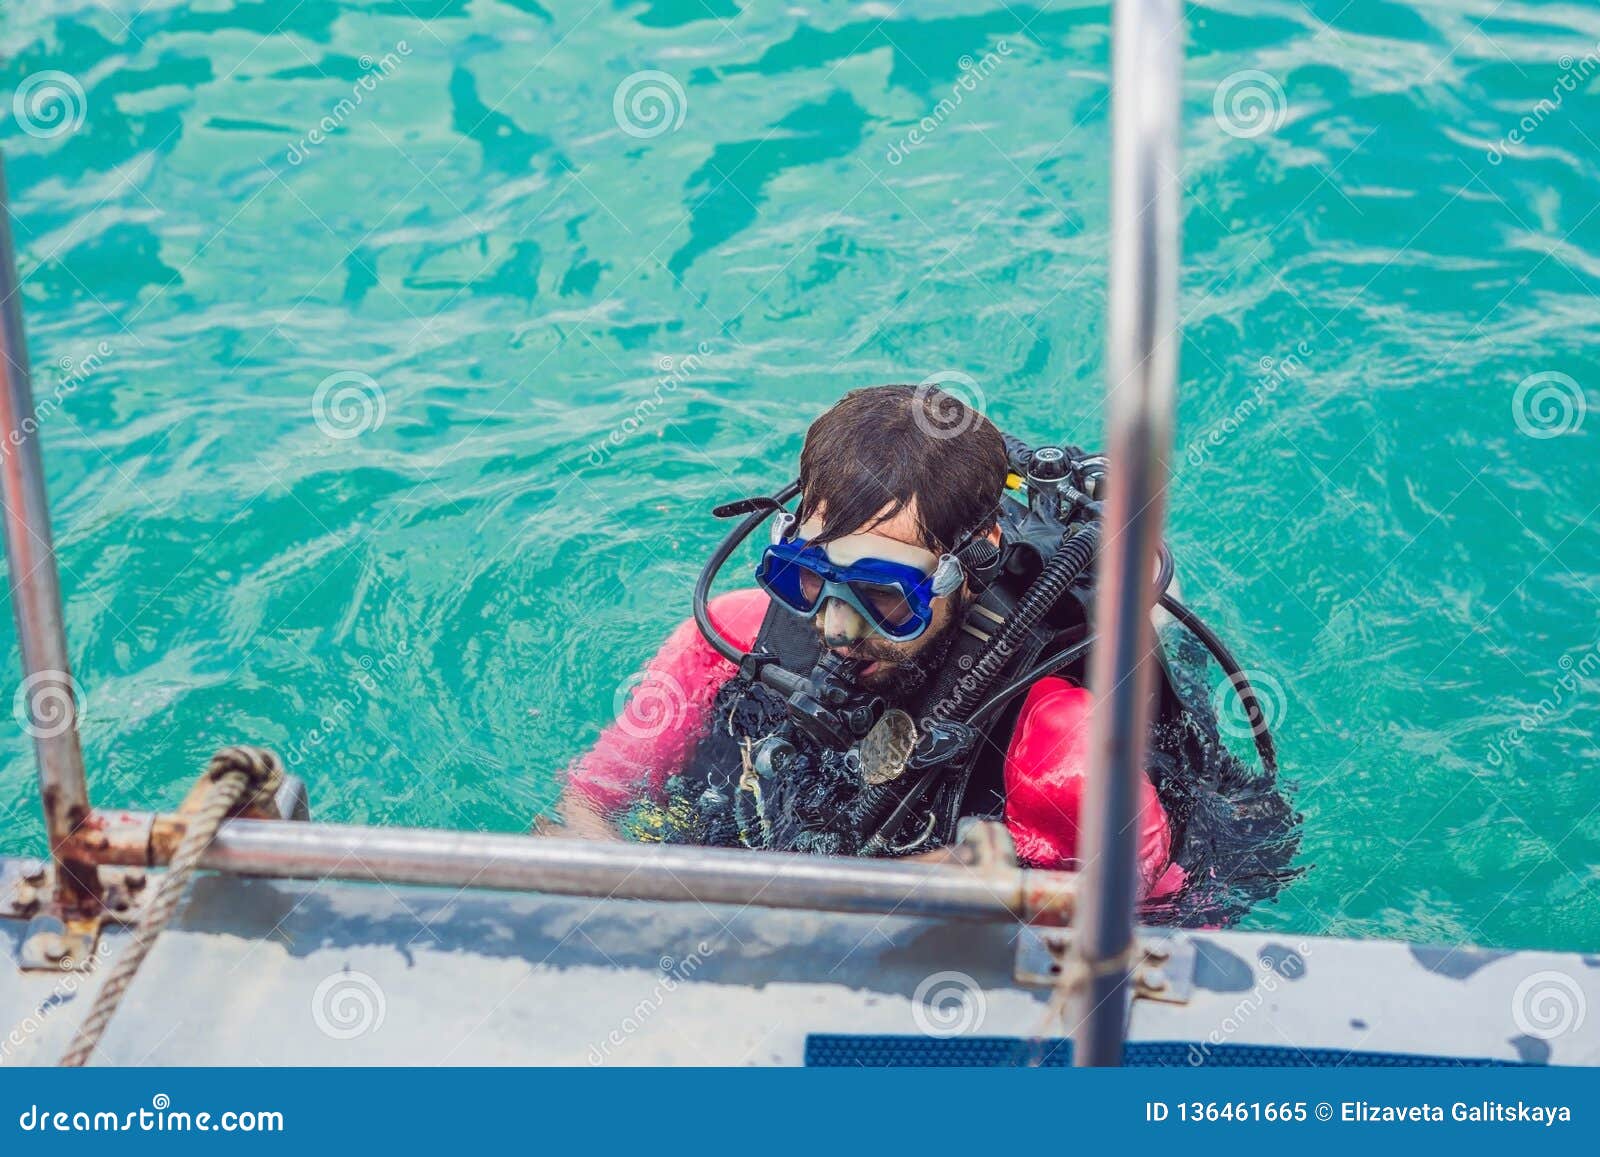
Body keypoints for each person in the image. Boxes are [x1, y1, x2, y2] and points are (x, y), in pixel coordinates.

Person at [545, 386, 1297, 918]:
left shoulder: (1063, 754)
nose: (836, 627)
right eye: (807, 578)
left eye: (885, 596)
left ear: (973, 566)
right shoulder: (730, 638)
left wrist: (959, 890)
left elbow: (1144, 932)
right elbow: (583, 806)